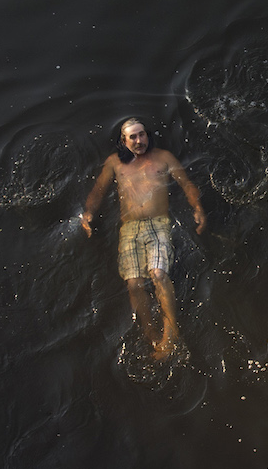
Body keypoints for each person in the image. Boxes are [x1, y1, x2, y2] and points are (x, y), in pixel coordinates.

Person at [80, 118, 207, 359]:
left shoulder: (164, 158)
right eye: (132, 137)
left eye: (141, 135)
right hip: (129, 228)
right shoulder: (115, 163)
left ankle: (171, 335)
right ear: (123, 141)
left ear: (147, 135)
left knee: (158, 274)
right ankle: (151, 335)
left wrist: (197, 208)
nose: (139, 141)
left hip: (158, 224)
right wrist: (88, 212)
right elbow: (98, 190)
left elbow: (187, 185)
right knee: (133, 284)